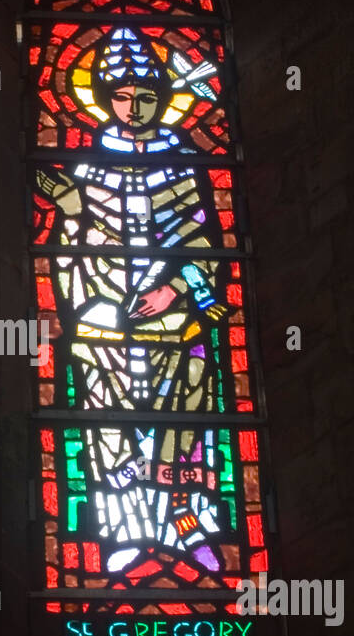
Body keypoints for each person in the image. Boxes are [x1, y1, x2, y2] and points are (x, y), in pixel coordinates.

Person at [36, 29, 228, 576]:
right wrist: (74, 217)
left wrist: (177, 289)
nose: (134, 106)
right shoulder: (86, 166)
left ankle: (186, 525)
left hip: (175, 327)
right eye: (122, 95)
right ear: (105, 98)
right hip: (103, 325)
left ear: (163, 98)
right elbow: (66, 247)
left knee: (180, 427)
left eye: (146, 96)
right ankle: (125, 532)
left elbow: (202, 239)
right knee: (111, 432)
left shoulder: (183, 163)